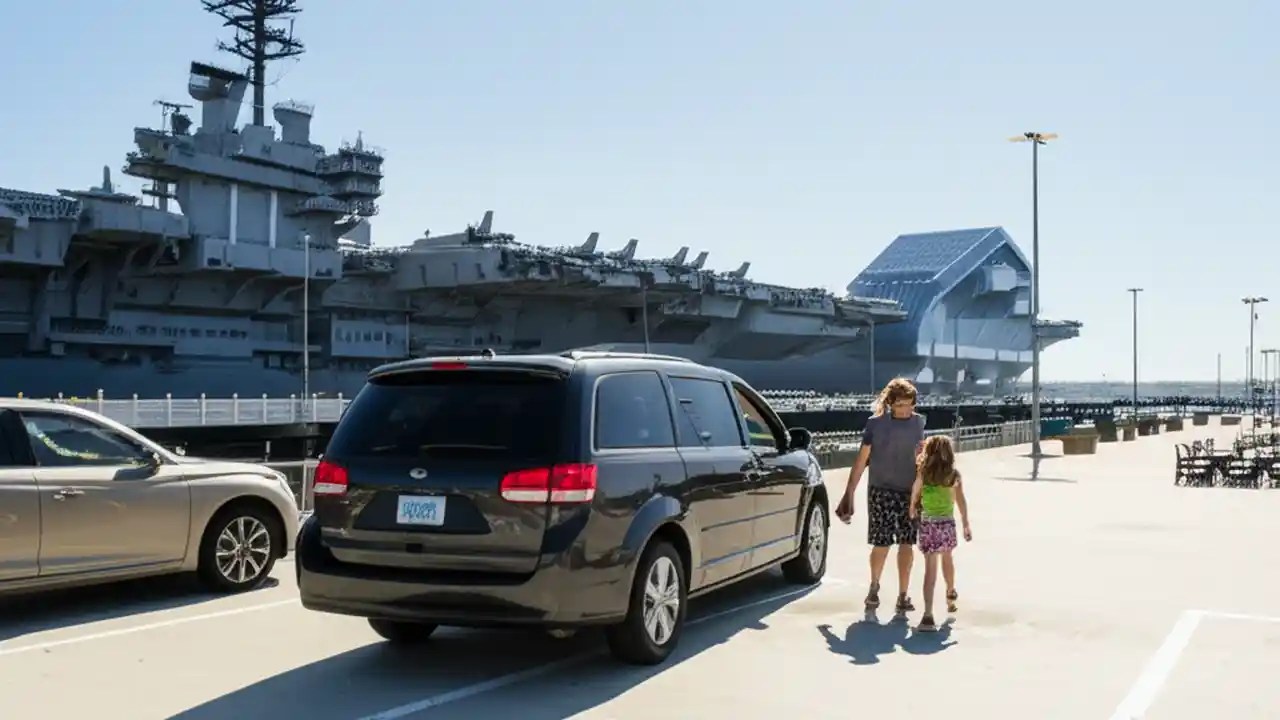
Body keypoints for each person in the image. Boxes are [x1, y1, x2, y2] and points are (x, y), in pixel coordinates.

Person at [836, 378, 926, 613]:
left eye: (909, 404)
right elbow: (861, 461)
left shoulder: (918, 423)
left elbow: (921, 460)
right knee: (882, 542)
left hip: (909, 492)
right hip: (881, 491)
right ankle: (874, 587)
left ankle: (903, 595)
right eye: (900, 405)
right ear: (890, 403)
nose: (905, 410)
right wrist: (849, 493)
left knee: (907, 543)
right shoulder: (875, 424)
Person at [908, 434, 972, 632]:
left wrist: (912, 508)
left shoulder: (924, 474)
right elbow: (961, 501)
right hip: (947, 524)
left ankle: (927, 615)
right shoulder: (953, 476)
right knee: (947, 559)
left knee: (930, 569)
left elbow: (915, 492)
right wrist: (966, 524)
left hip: (928, 524)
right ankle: (950, 593)